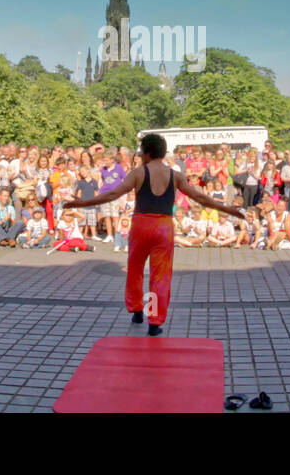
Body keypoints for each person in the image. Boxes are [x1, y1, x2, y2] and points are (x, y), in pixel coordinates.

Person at [64, 132, 247, 336]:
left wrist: (83, 203)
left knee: (135, 269)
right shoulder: (175, 175)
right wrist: (229, 209)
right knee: (160, 276)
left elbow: (114, 193)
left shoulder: (138, 173)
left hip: (141, 225)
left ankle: (136, 310)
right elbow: (200, 198)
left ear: (146, 153)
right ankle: (154, 321)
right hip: (164, 227)